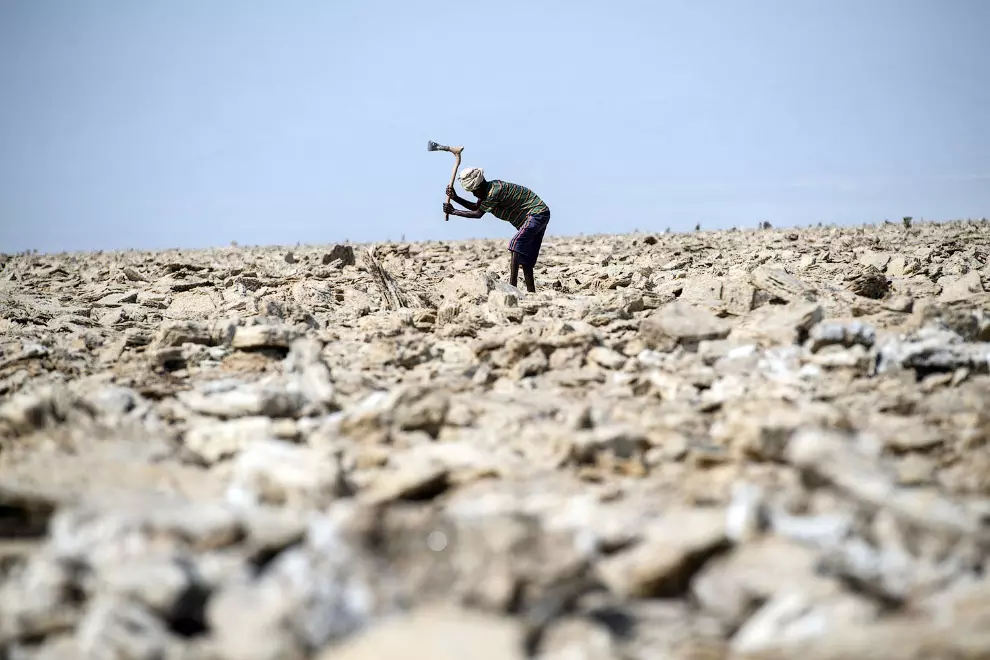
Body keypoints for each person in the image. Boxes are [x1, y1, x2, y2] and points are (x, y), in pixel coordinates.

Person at [443, 167, 550, 293]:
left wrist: (454, 211)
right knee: (526, 259)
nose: (473, 194)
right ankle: (531, 292)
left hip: (536, 214)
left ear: (480, 186)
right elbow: (476, 206)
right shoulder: (488, 190)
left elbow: (478, 213)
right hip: (539, 214)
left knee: (516, 243)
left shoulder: (494, 192)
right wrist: (455, 198)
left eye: (474, 191)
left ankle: (512, 287)